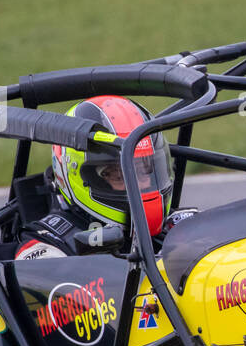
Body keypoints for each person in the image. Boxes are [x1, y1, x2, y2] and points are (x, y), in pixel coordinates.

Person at [15, 95, 185, 259]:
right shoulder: (47, 247)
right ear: (83, 178)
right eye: (120, 176)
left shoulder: (178, 228)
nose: (140, 186)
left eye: (145, 171)